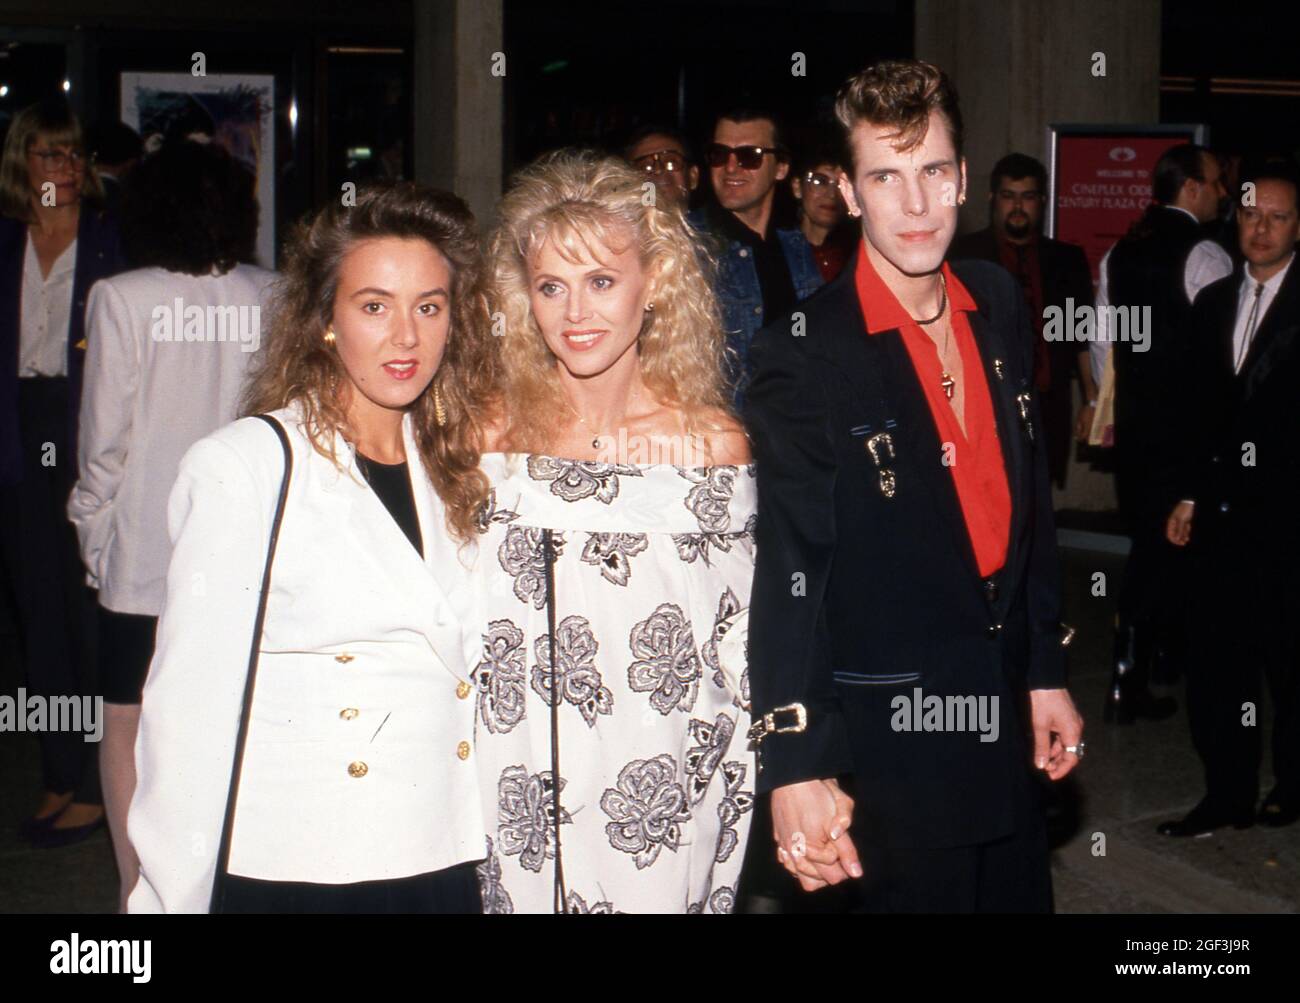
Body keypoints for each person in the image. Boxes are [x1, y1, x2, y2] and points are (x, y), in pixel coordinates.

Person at [744, 59, 1082, 913]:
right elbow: (789, 570)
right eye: (886, 179)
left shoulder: (996, 298)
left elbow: (1030, 502)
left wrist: (1043, 667)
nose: (918, 204)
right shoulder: (805, 351)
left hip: (1004, 731)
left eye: (933, 172)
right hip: (889, 755)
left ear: (963, 178)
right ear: (850, 195)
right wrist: (794, 759)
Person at [127, 182, 491, 913]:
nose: (407, 337)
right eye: (374, 306)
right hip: (307, 867)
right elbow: (188, 718)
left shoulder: (464, 467)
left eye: (430, 306)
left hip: (443, 852)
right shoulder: (244, 467)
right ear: (326, 318)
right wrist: (166, 905)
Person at [459, 149, 755, 913]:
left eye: (600, 282)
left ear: (652, 282)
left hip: (655, 788)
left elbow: (740, 640)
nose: (576, 314)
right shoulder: (489, 435)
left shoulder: (707, 445)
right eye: (551, 287)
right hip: (509, 773)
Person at [66, 140, 275, 911]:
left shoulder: (122, 298)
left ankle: (137, 886)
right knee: (231, 718)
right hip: (249, 550)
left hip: (146, 548)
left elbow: (104, 442)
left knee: (126, 719)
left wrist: (92, 532)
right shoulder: (273, 292)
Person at [0, 98, 126, 848]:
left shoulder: (111, 239)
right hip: (19, 427)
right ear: (24, 163)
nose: (67, 169)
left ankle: (94, 783)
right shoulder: (5, 241)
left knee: (89, 610)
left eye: (75, 155)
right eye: (51, 155)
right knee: (37, 612)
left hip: (87, 427)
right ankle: (59, 769)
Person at [1161, 161, 1300, 836]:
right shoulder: (1214, 299)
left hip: (1291, 516)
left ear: (1297, 226)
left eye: (1277, 216)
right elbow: (1193, 409)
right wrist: (1187, 492)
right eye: (1251, 214)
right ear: (1234, 219)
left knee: (1289, 656)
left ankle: (1292, 784)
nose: (1262, 228)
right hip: (1221, 514)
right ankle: (1227, 792)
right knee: (1218, 660)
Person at [1097, 143, 1230, 724]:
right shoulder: (1206, 254)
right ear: (1192, 188)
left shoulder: (1120, 252)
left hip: (1136, 428)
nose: (1226, 194)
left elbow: (1105, 342)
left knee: (1150, 544)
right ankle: (1142, 671)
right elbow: (1225, 353)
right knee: (1181, 546)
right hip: (1189, 429)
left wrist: (1113, 410)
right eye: (1217, 184)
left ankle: (1146, 664)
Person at [950, 153, 1095, 489]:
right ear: (992, 200)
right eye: (1008, 196)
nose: (1018, 207)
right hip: (984, 405)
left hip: (1047, 405)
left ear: (1041, 202)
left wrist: (1090, 400)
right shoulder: (962, 256)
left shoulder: (1067, 261)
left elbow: (1081, 337)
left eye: (1027, 197)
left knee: (1040, 506)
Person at [688, 106, 822, 402]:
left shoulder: (796, 246)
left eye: (750, 156)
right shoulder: (687, 245)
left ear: (781, 168)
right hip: (722, 432)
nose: (731, 167)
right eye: (719, 154)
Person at [790, 145, 854, 283]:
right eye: (820, 181)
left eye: (840, 185)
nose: (831, 194)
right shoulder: (779, 251)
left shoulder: (857, 255)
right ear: (797, 187)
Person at [623, 124, 699, 213]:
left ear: (693, 177)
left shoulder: (716, 225)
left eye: (670, 163)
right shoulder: (611, 226)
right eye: (645, 167)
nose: (658, 169)